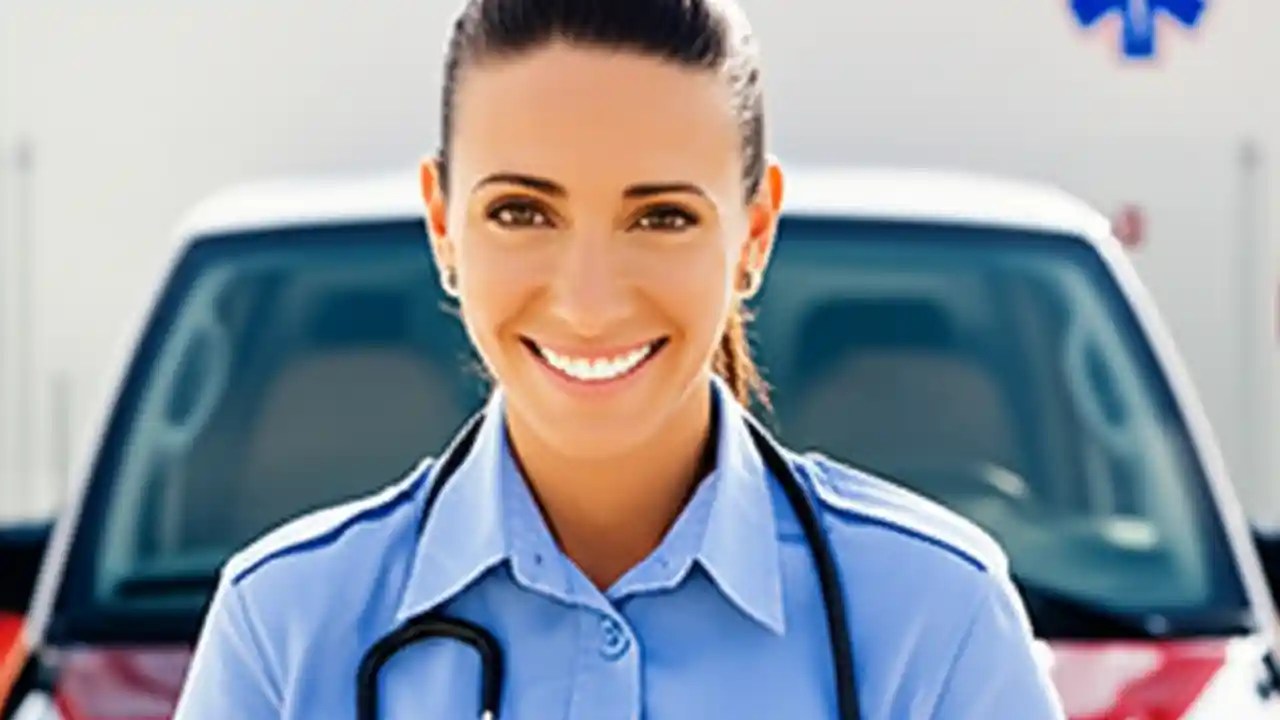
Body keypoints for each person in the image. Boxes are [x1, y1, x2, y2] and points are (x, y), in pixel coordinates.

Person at [173, 0, 1067, 717]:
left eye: (662, 217)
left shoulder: (935, 620)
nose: (589, 303)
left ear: (754, 231)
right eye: (522, 212)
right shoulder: (281, 630)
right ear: (443, 224)